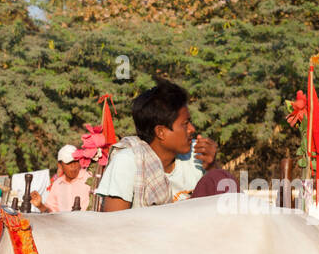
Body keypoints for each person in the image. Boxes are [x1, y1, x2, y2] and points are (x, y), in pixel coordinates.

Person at [95, 80, 223, 211]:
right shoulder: (128, 162)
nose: (192, 129)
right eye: (185, 124)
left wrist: (213, 167)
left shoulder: (197, 155)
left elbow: (228, 207)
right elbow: (114, 225)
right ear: (161, 132)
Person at [30, 144, 91, 212]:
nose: (73, 166)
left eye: (76, 161)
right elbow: (51, 214)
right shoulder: (57, 184)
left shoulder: (90, 179)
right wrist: (40, 206)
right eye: (69, 163)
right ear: (60, 165)